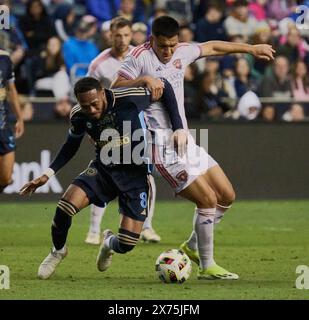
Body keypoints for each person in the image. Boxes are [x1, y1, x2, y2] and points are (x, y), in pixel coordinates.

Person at [113, 15, 275, 279]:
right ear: (152, 39)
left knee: (226, 195)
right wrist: (143, 79)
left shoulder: (182, 51)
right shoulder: (139, 57)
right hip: (161, 147)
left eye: (172, 46)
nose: (168, 52)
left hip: (185, 139)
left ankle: (191, 246)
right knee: (207, 200)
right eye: (163, 46)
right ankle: (207, 265)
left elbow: (212, 47)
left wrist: (251, 49)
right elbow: (115, 87)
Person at [19, 76, 186, 280]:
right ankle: (58, 250)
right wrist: (47, 174)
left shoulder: (129, 98)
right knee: (64, 207)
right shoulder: (79, 115)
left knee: (126, 244)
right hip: (103, 169)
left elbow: (165, 87)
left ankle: (108, 243)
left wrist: (178, 128)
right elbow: (71, 145)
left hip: (136, 175)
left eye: (94, 104)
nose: (91, 110)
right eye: (85, 106)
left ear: (102, 93)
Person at [87, 17, 161, 244]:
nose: (122, 39)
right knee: (107, 172)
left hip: (137, 122)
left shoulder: (139, 56)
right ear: (110, 35)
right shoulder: (98, 64)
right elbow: (87, 96)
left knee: (144, 173)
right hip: (110, 126)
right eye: (117, 35)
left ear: (132, 35)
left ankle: (146, 226)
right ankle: (94, 229)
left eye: (126, 35)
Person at [0, 50, 25, 193]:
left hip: (3, 125)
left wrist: (19, 117)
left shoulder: (4, 58)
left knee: (6, 178)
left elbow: (11, 90)